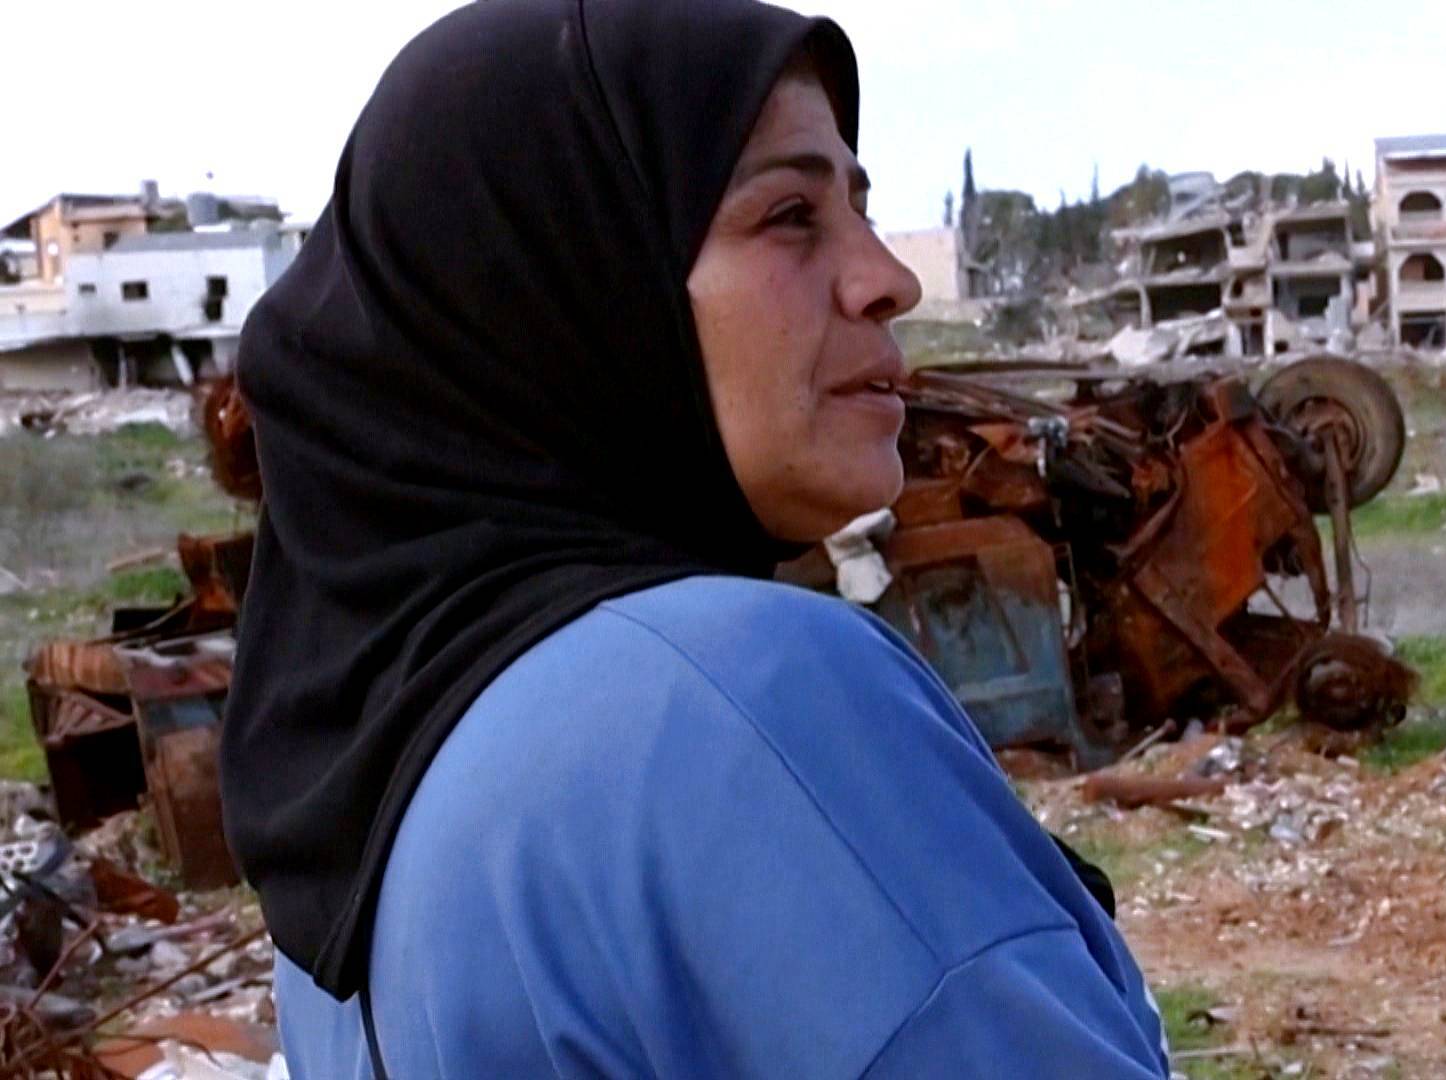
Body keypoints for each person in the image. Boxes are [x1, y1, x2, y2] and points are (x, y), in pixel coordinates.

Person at [220, 0, 1169, 1075]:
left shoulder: (352, 818)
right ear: (567, 280)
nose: (886, 277)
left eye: (860, 207)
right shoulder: (747, 696)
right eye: (788, 216)